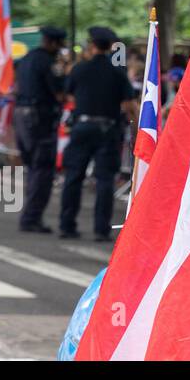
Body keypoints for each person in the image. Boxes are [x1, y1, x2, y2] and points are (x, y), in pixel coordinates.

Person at [59, 27, 136, 241]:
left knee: (74, 176)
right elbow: (129, 105)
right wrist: (136, 126)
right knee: (104, 180)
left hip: (82, 127)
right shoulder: (117, 72)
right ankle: (101, 229)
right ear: (112, 47)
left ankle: (67, 225)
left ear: (91, 45)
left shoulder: (79, 69)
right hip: (108, 129)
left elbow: (68, 95)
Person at [13, 25, 67, 233]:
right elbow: (59, 93)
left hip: (21, 115)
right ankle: (31, 217)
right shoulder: (49, 62)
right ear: (54, 43)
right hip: (40, 119)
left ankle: (30, 214)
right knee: (42, 170)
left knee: (33, 168)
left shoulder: (27, 58)